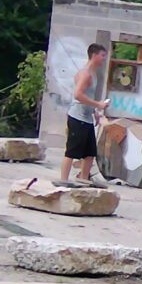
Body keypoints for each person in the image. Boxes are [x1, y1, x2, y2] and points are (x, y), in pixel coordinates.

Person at [61, 43, 110, 182]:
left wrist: (95, 111)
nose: (104, 59)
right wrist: (98, 104)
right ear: (94, 55)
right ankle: (63, 180)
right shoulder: (85, 74)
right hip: (77, 117)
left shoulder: (93, 74)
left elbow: (87, 95)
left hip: (87, 118)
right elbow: (78, 94)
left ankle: (83, 178)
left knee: (90, 153)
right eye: (102, 56)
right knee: (71, 151)